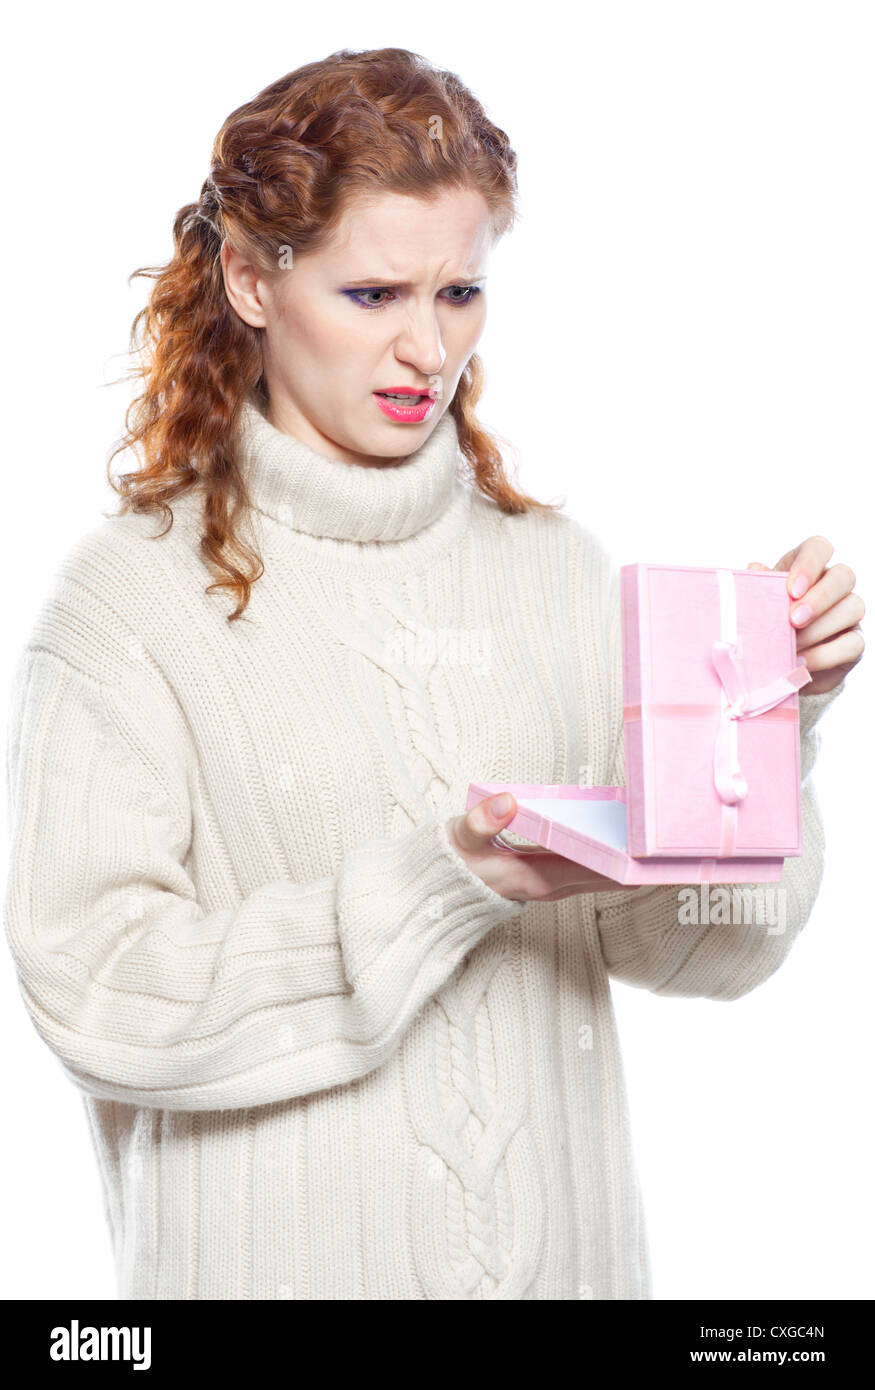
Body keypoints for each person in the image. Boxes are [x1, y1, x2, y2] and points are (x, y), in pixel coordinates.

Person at [2, 47, 863, 1301]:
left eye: (459, 290)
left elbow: (699, 948)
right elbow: (96, 993)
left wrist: (764, 726)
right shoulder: (127, 603)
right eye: (372, 294)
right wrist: (442, 883)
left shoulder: (557, 573)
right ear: (249, 277)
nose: (427, 346)